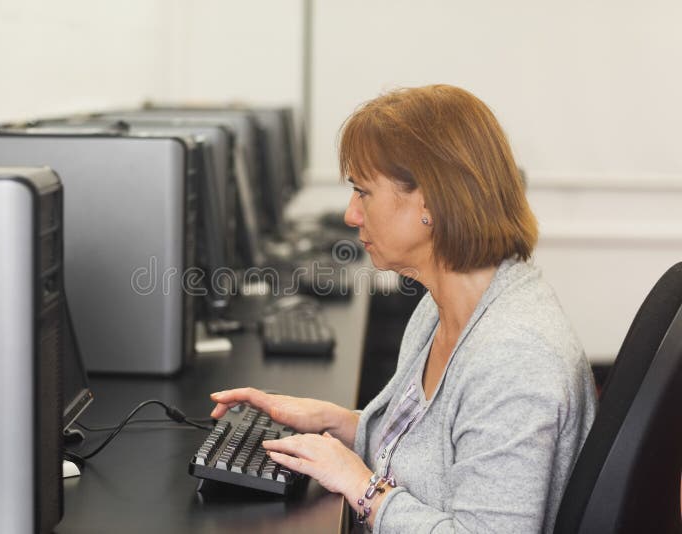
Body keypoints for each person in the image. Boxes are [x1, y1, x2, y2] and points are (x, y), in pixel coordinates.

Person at [210, 85, 597, 533]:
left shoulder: (514, 359)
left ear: (429, 201)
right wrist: (339, 424)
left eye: (363, 192)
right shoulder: (446, 306)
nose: (352, 215)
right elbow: (436, 454)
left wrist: (360, 485)